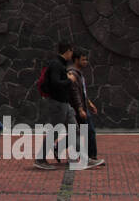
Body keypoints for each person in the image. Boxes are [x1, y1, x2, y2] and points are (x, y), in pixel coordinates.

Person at [35, 41, 83, 169]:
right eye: (71, 51)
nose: (72, 54)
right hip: (58, 103)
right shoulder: (56, 64)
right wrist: (69, 80)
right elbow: (56, 83)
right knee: (55, 132)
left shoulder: (60, 64)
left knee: (75, 130)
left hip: (64, 104)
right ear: (67, 51)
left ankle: (77, 158)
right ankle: (40, 159)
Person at [69, 48, 105, 168]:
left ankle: (59, 149)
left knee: (80, 133)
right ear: (76, 60)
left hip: (83, 107)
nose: (86, 62)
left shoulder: (78, 73)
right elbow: (75, 93)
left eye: (86, 59)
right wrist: (80, 108)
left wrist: (89, 103)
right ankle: (91, 157)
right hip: (79, 109)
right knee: (88, 132)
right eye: (83, 60)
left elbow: (82, 92)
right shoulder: (72, 74)